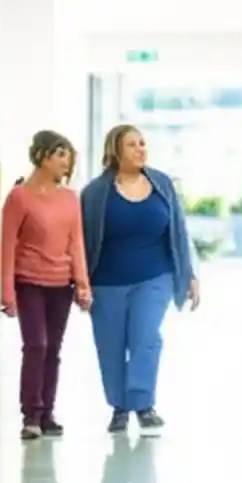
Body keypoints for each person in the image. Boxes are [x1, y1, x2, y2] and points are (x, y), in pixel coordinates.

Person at [81, 124, 201, 437]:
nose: (140, 149)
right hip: (106, 282)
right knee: (111, 346)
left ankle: (144, 403)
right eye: (132, 145)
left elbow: (180, 231)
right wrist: (80, 282)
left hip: (154, 276)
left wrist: (190, 275)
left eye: (143, 143)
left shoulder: (162, 184)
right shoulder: (95, 194)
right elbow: (80, 240)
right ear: (115, 152)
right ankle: (119, 408)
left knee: (147, 338)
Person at [0, 130, 93, 441]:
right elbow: (7, 246)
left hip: (60, 284)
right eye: (60, 154)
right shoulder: (19, 197)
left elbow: (76, 242)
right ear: (41, 156)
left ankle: (48, 413)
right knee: (36, 345)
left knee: (53, 348)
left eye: (68, 156)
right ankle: (31, 414)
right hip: (29, 282)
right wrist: (6, 292)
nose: (66, 162)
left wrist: (82, 285)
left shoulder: (70, 198)